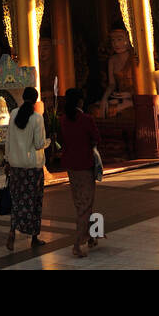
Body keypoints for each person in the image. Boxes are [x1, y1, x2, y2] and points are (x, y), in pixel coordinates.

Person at [5, 86, 48, 251]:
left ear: (22, 98)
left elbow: (8, 139)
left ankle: (12, 232)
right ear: (36, 100)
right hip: (32, 168)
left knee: (17, 201)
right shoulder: (37, 118)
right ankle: (34, 237)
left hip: (16, 167)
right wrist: (49, 141)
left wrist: (8, 160)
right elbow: (38, 144)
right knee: (34, 202)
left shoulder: (14, 114)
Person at [59, 88, 100, 257]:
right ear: (80, 102)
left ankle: (91, 237)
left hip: (71, 166)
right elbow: (97, 138)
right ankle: (77, 244)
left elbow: (62, 141)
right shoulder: (86, 119)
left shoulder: (62, 120)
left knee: (80, 202)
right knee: (85, 204)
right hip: (84, 165)